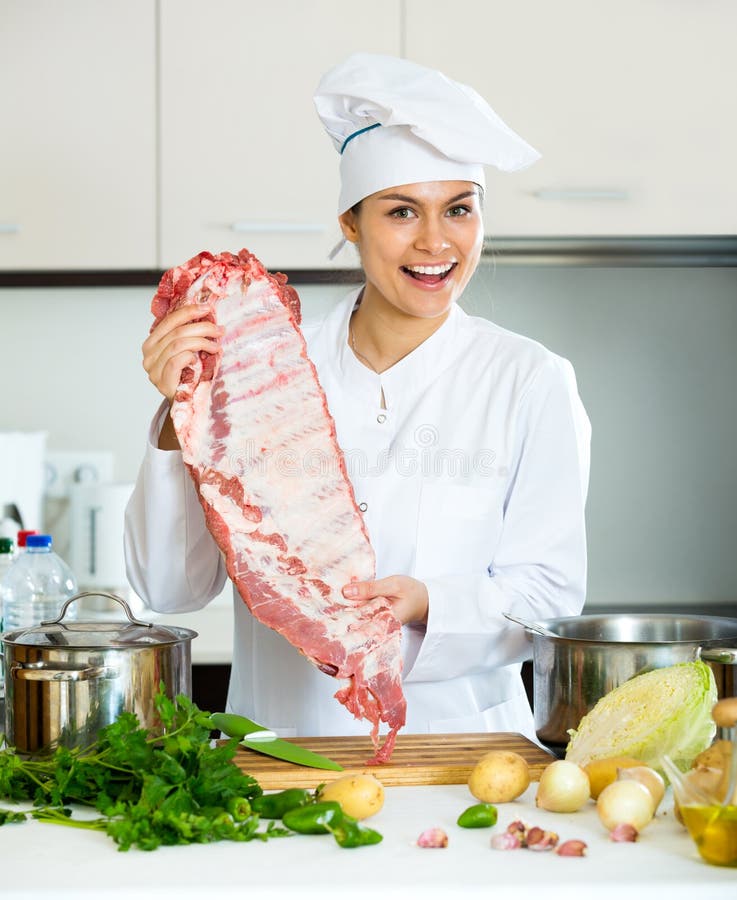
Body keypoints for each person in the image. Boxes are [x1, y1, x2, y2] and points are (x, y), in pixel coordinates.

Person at [125, 53, 591, 741]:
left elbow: (547, 599)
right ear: (350, 222)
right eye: (401, 211)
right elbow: (170, 592)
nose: (436, 241)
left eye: (458, 209)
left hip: (461, 758)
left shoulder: (528, 379)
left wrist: (430, 603)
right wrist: (178, 419)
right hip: (281, 756)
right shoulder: (261, 369)